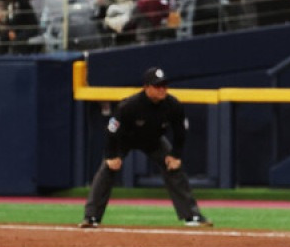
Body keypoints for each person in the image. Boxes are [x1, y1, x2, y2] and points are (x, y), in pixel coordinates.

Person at [80, 67, 212, 227]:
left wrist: (176, 155)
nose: (162, 89)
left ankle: (192, 216)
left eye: (164, 85)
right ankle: (91, 217)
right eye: (157, 86)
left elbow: (180, 131)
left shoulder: (173, 104)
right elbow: (111, 130)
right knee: (107, 170)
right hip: (124, 139)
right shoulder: (129, 105)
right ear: (147, 87)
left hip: (153, 140)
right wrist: (111, 155)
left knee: (174, 168)